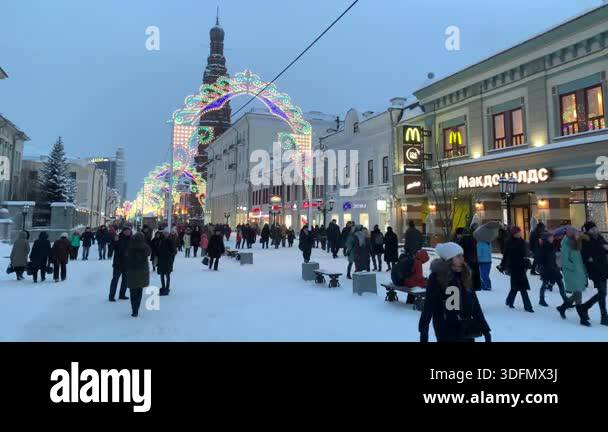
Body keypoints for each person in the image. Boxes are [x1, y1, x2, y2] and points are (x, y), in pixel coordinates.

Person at [419, 242, 491, 343]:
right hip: (446, 330)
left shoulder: (465, 274)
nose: (462, 258)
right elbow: (429, 306)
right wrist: (423, 331)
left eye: (462, 255)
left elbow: (474, 304)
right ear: (449, 259)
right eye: (458, 256)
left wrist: (485, 329)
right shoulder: (437, 277)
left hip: (466, 328)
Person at [557, 227, 590, 326]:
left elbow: (579, 259)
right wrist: (575, 268)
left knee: (576, 294)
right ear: (567, 233)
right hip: (572, 273)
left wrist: (583, 270)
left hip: (578, 272)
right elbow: (565, 261)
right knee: (578, 294)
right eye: (572, 232)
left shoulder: (575, 243)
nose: (574, 234)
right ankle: (583, 318)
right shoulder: (565, 245)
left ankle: (562, 307)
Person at [580, 221, 607, 326]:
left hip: (603, 268)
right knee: (602, 292)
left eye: (595, 227)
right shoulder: (587, 239)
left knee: (602, 293)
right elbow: (587, 256)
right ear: (588, 230)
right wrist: (593, 258)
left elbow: (605, 247)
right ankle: (604, 317)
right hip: (594, 270)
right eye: (593, 228)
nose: (595, 229)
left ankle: (584, 307)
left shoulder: (599, 237)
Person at [505, 226, 534, 313]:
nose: (519, 233)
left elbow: (525, 253)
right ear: (514, 233)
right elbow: (506, 255)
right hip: (514, 267)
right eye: (518, 232)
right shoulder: (509, 242)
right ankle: (528, 306)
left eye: (520, 232)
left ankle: (509, 301)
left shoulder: (522, 241)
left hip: (521, 267)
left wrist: (527, 259)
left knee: (517, 287)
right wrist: (504, 266)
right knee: (521, 287)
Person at [537, 231, 567, 307]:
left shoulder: (551, 245)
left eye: (552, 237)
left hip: (554, 268)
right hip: (547, 269)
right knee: (544, 284)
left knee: (560, 283)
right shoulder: (543, 247)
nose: (552, 238)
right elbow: (541, 259)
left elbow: (552, 257)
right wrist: (542, 269)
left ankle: (565, 300)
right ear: (547, 238)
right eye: (551, 237)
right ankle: (541, 299)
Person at [127, 232, 151, 318]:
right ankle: (137, 308)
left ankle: (134, 310)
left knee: (132, 291)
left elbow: (127, 256)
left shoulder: (130, 246)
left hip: (132, 271)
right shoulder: (145, 247)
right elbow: (149, 253)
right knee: (139, 291)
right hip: (142, 271)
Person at [108, 226, 132, 302]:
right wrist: (114, 241)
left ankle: (122, 294)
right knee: (115, 280)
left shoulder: (132, 239)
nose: (128, 232)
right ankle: (111, 296)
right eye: (126, 231)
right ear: (123, 231)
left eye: (129, 231)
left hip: (127, 263)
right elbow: (112, 247)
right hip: (118, 263)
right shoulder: (118, 238)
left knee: (125, 280)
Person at [157, 229, 177, 296]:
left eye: (167, 233)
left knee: (167, 275)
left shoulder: (171, 241)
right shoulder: (161, 240)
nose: (165, 234)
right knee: (162, 275)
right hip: (161, 260)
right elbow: (158, 249)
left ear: (168, 234)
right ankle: (163, 287)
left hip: (168, 261)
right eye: (164, 233)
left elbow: (174, 251)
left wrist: (170, 257)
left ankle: (167, 288)